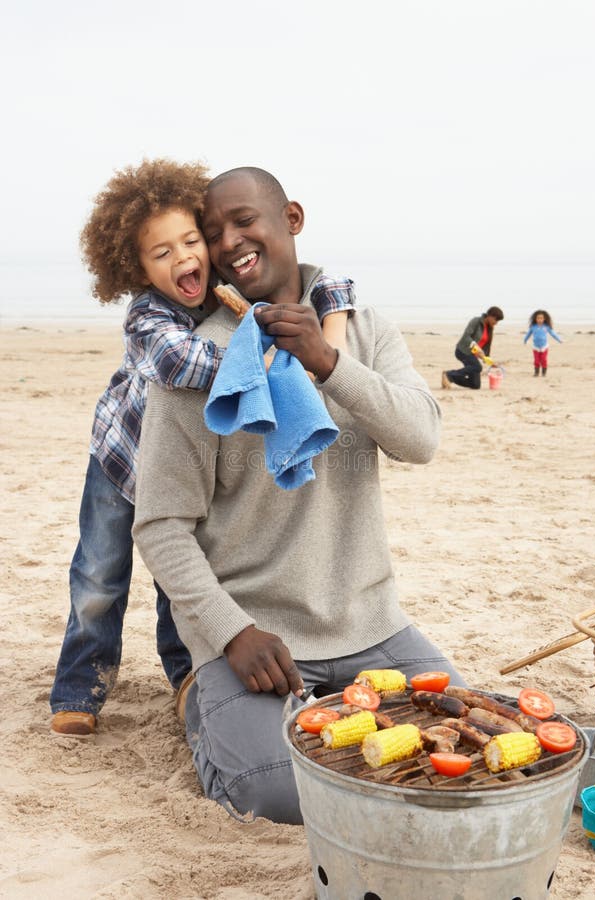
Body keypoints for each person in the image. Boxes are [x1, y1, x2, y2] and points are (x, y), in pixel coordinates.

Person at [132, 166, 465, 825]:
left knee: (460, 739)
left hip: (372, 626)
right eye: (213, 231)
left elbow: (420, 437)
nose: (228, 242)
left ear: (291, 218)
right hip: (256, 641)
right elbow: (161, 525)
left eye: (244, 221)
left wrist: (328, 362)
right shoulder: (195, 364)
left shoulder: (363, 329)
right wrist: (231, 634)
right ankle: (201, 703)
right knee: (281, 795)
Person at [50, 160, 355, 736]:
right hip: (122, 461)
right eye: (159, 253)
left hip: (180, 475)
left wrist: (331, 324)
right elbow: (178, 362)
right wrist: (262, 365)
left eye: (191, 240)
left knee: (179, 581)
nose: (182, 258)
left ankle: (187, 677)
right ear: (134, 268)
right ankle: (79, 689)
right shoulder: (151, 314)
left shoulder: (228, 297)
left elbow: (323, 286)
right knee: (99, 575)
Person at [441, 307, 504, 390]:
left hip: (473, 354)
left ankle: (450, 378)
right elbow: (466, 336)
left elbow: (486, 349)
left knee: (475, 384)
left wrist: (491, 362)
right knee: (477, 367)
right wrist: (475, 346)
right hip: (463, 351)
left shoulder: (489, 328)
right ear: (490, 316)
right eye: (496, 320)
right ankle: (449, 375)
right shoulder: (476, 321)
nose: (496, 323)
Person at [523, 309, 561, 376]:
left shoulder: (546, 327)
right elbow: (528, 334)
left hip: (544, 347)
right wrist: (525, 340)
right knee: (536, 361)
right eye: (538, 318)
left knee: (543, 360)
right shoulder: (533, 327)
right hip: (535, 347)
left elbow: (553, 334)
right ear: (535, 319)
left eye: (541, 318)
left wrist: (559, 340)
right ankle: (536, 372)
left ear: (544, 319)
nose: (539, 319)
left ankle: (544, 373)